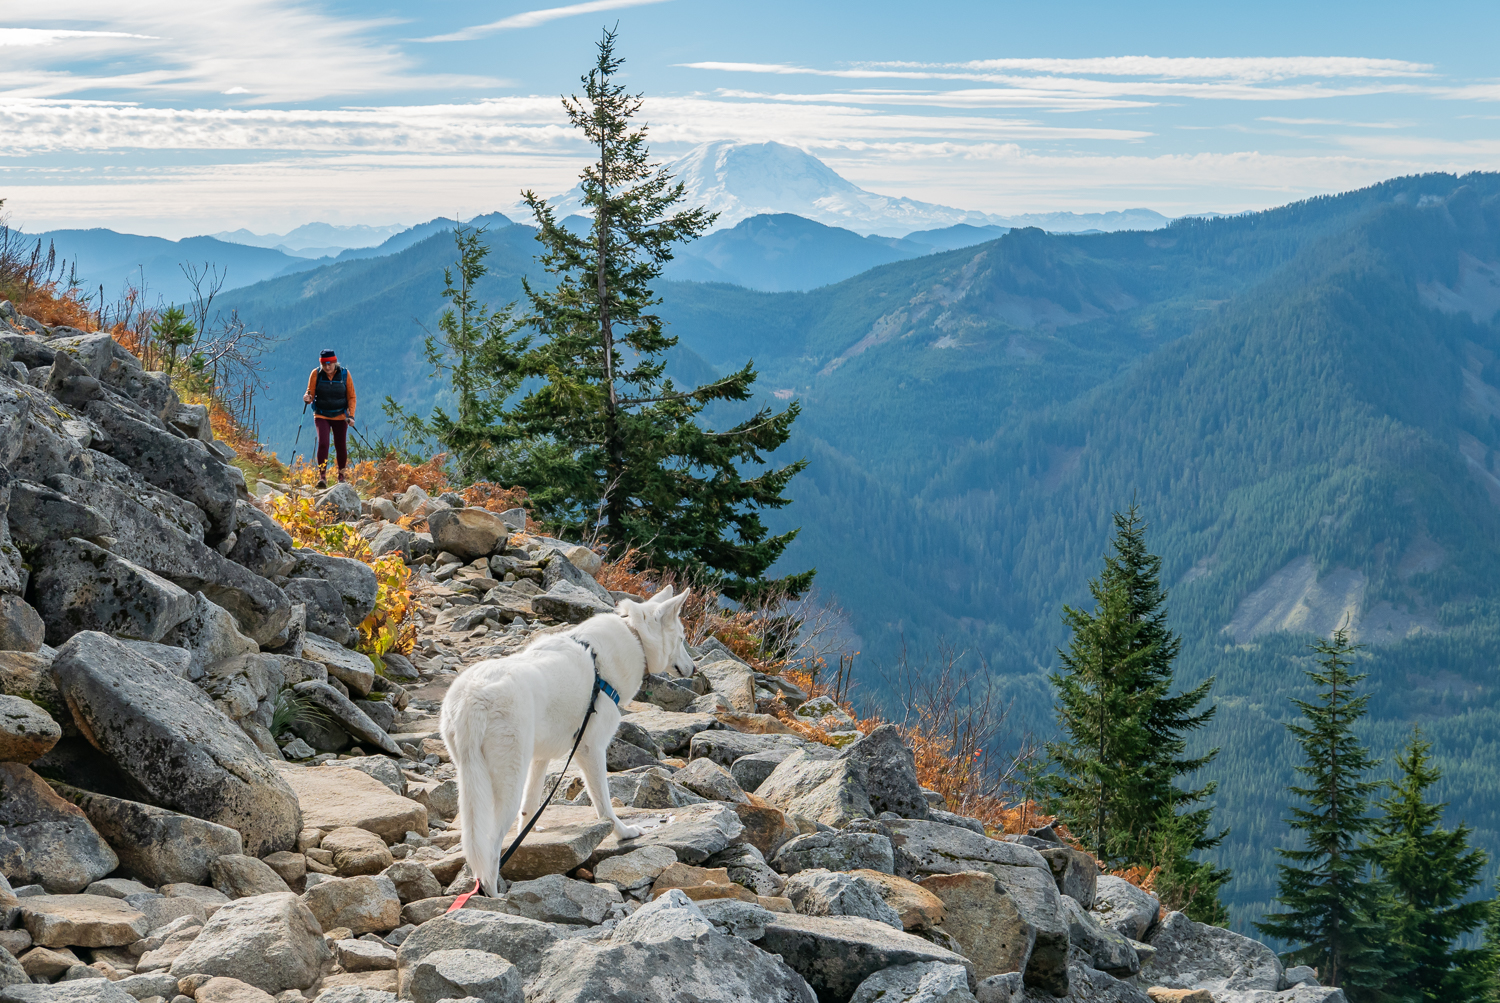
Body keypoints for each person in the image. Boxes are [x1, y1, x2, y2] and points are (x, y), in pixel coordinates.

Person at [303, 350, 356, 488]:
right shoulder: (316, 374)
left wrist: (351, 416)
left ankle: (341, 476)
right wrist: (307, 398)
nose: (327, 367)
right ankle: (322, 477)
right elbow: (310, 393)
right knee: (323, 443)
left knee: (340, 445)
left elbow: (351, 397)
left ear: (335, 362)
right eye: (324, 364)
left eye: (330, 364)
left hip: (340, 416)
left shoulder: (345, 374)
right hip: (321, 414)